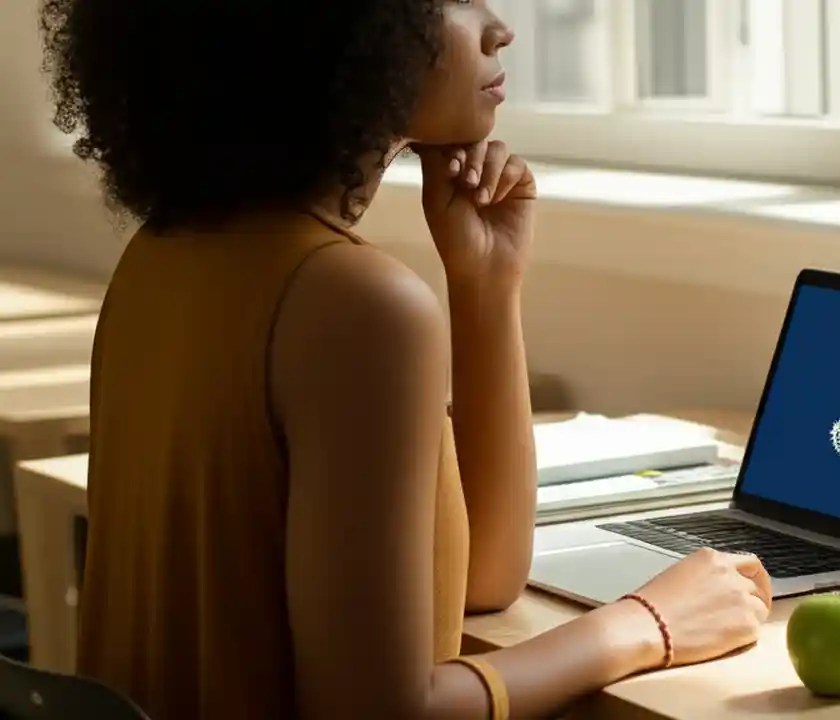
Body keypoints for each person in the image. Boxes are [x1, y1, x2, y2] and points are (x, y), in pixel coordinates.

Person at [39, 1, 772, 718]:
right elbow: (376, 708)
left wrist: (485, 287)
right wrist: (643, 625)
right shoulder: (348, 300)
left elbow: (478, 577)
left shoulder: (163, 256)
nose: (498, 27)